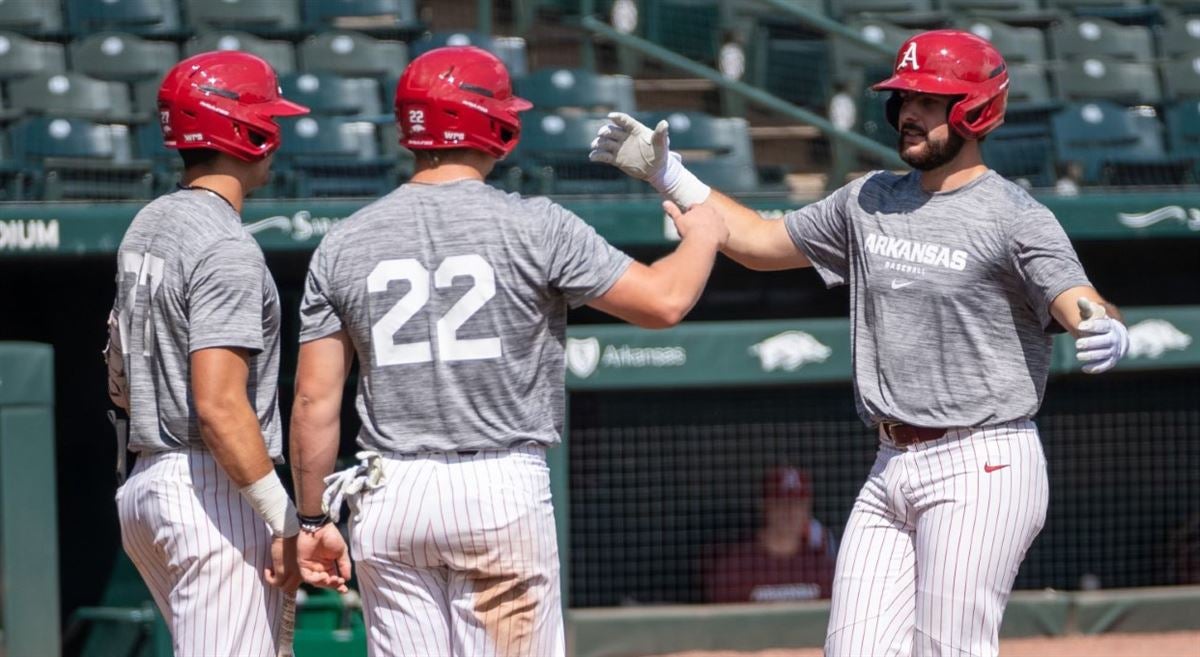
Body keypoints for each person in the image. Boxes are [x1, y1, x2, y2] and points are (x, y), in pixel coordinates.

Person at [589, 29, 1131, 657]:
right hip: (891, 462)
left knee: (947, 650)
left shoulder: (1016, 215)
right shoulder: (870, 197)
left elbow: (1076, 296)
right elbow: (762, 244)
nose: (907, 112)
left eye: (929, 100)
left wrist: (1101, 324)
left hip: (983, 462)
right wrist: (670, 174)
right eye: (903, 98)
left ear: (975, 111)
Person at [287, 45, 727, 657]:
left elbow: (312, 401)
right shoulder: (536, 223)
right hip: (497, 488)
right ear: (493, 125)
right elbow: (665, 301)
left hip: (389, 493)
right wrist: (704, 230)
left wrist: (311, 521)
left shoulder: (343, 242)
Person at [103, 51, 308, 655]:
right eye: (269, 117)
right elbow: (219, 404)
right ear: (248, 131)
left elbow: (115, 368)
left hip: (146, 482)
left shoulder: (148, 221)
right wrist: (285, 518)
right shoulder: (227, 245)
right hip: (211, 488)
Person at [704, 466, 836, 603]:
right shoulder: (734, 568)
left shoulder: (823, 568)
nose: (789, 512)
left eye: (797, 504)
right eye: (781, 503)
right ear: (765, 505)